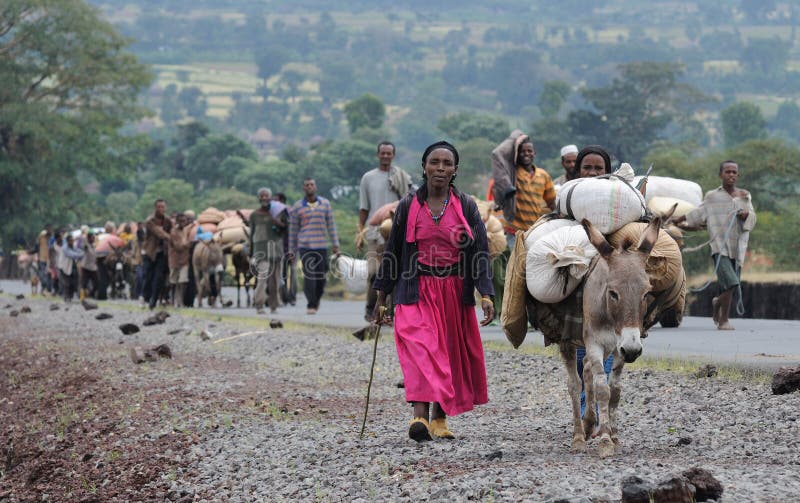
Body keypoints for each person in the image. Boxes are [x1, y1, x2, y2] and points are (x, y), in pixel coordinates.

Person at [373, 141, 495, 442]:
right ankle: (419, 418)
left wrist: (485, 293)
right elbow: (394, 251)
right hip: (416, 288)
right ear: (424, 166)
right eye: (434, 162)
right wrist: (382, 296)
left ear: (455, 170)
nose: (440, 168)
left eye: (447, 163)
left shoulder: (465, 206)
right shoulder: (408, 206)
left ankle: (439, 419)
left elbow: (480, 249)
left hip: (454, 289)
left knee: (448, 353)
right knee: (421, 349)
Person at [674, 160, 756, 330]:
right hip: (719, 247)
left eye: (734, 172)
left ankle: (717, 302)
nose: (731, 175)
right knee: (732, 283)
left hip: (738, 248)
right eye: (728, 172)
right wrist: (678, 220)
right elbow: (697, 213)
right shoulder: (712, 196)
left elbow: (753, 218)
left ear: (738, 175)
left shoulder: (745, 196)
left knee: (727, 285)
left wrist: (746, 215)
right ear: (720, 175)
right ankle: (724, 320)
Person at [358, 141, 413, 322]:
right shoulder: (368, 178)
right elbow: (364, 208)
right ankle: (370, 308)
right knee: (374, 272)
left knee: (393, 273)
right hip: (374, 232)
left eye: (389, 153)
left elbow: (411, 200)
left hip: (394, 233)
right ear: (378, 154)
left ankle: (387, 313)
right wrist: (360, 231)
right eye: (383, 153)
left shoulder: (402, 177)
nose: (386, 156)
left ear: (393, 155)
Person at [492, 131, 557, 250]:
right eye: (522, 151)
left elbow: (552, 202)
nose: (526, 154)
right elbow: (497, 153)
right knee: (518, 265)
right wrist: (514, 138)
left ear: (534, 153)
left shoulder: (543, 175)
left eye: (529, 151)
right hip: (514, 232)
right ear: (516, 154)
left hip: (535, 232)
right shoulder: (512, 173)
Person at [288, 178, 340, 314]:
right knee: (309, 275)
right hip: (305, 246)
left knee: (321, 277)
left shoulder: (325, 204)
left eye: (312, 185)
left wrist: (336, 244)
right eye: (307, 185)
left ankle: (316, 300)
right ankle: (311, 304)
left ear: (315, 187)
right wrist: (291, 251)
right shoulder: (297, 206)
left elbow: (331, 225)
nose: (309, 187)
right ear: (304, 188)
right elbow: (293, 231)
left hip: (322, 245)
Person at [249, 187, 288, 314]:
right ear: (259, 198)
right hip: (261, 252)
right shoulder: (254, 215)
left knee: (275, 281)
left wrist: (277, 222)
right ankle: (259, 305)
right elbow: (251, 235)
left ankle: (274, 306)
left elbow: (285, 229)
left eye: (266, 196)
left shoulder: (278, 213)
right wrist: (251, 253)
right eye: (262, 196)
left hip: (276, 251)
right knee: (262, 279)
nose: (264, 198)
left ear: (270, 198)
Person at [142, 199, 172, 310]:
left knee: (159, 277)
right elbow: (159, 233)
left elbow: (172, 231)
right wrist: (171, 238)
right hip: (150, 252)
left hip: (162, 252)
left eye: (163, 207)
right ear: (155, 208)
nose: (161, 209)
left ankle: (153, 300)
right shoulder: (150, 221)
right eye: (159, 207)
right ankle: (145, 297)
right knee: (148, 276)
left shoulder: (168, 221)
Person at [168, 213, 192, 307]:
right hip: (174, 260)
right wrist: (187, 244)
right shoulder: (173, 232)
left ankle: (180, 301)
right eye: (181, 221)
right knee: (173, 281)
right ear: (177, 222)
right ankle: (172, 301)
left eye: (184, 221)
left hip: (185, 260)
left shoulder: (187, 231)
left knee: (183, 281)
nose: (183, 223)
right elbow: (178, 246)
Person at [58, 233, 84, 302]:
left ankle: (71, 296)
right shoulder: (65, 248)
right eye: (71, 240)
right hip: (64, 267)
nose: (72, 242)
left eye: (73, 240)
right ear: (67, 241)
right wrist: (81, 255)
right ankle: (67, 297)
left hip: (72, 267)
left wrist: (81, 253)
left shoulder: (73, 246)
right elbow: (72, 255)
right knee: (67, 283)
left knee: (74, 282)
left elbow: (79, 251)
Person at [78, 232, 98, 300]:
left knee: (97, 283)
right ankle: (82, 297)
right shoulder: (86, 246)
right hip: (85, 267)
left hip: (93, 268)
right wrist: (85, 239)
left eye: (94, 237)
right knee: (84, 283)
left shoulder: (93, 246)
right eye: (92, 237)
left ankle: (91, 294)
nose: (94, 239)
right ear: (89, 238)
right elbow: (83, 246)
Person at [37, 225, 52, 295]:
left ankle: (47, 290)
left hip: (49, 260)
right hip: (42, 259)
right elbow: (40, 236)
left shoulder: (51, 239)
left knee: (48, 275)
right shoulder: (41, 239)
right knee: (43, 274)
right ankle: (44, 289)